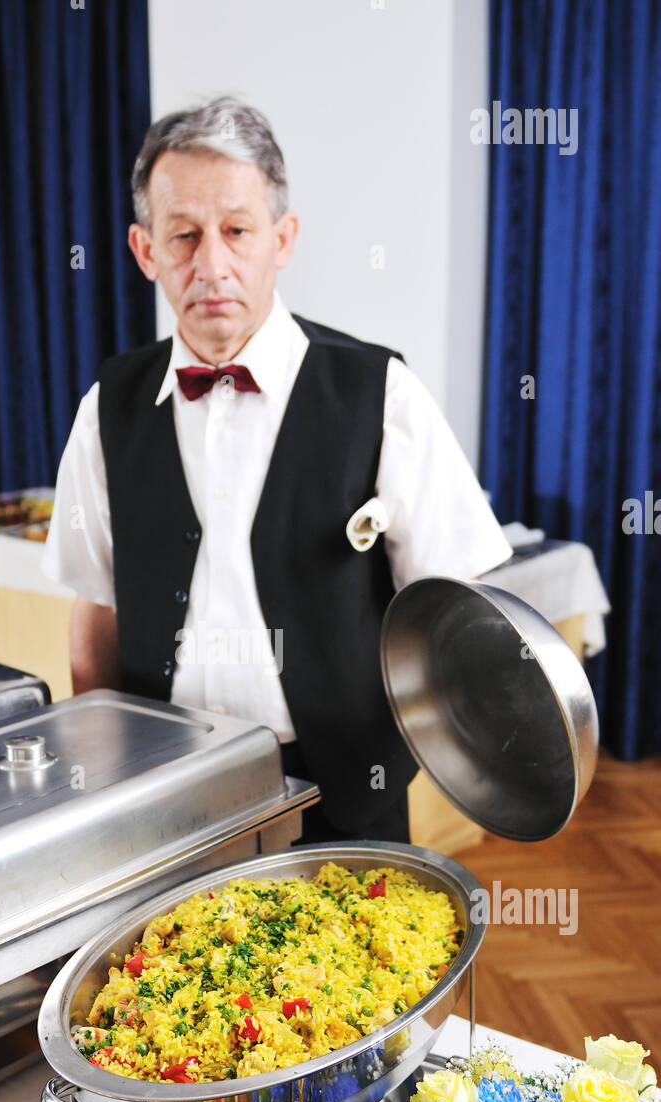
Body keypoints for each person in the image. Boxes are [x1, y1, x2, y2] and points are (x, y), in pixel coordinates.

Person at [42, 97, 511, 845]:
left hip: (348, 790)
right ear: (145, 251)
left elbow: (455, 610)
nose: (212, 265)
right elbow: (96, 610)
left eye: (236, 231)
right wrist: (105, 781)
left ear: (281, 238)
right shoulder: (107, 407)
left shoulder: (379, 392)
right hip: (166, 788)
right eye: (184, 236)